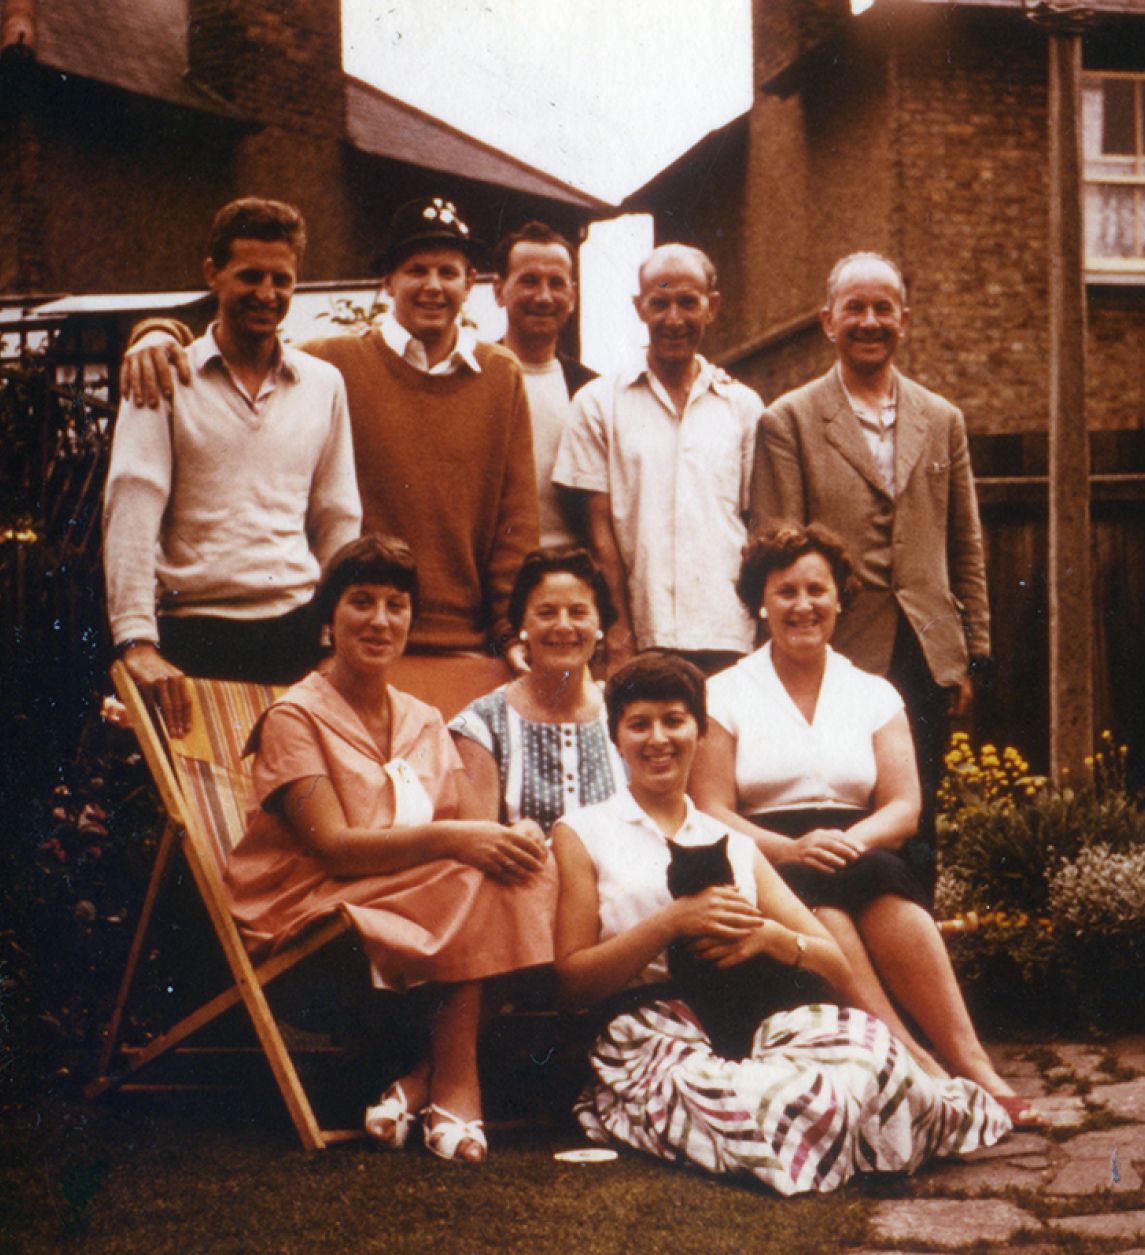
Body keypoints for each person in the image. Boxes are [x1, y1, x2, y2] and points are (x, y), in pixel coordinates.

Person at [550, 653, 1011, 1195]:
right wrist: (671, 922)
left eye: (675, 720)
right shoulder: (585, 831)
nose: (659, 739)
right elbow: (573, 980)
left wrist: (771, 937)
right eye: (639, 724)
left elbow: (833, 961)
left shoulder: (738, 845)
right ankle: (833, 1133)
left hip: (748, 1017)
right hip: (648, 1028)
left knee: (868, 1050)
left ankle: (830, 1127)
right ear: (617, 736)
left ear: (698, 729)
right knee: (777, 1100)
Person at [121, 197, 540, 718]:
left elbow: (514, 521)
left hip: (455, 644)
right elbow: (242, 348)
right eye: (416, 270)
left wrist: (507, 631)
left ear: (469, 280)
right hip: (352, 638)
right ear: (387, 280)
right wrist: (155, 332)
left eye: (447, 272)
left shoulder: (496, 375)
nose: (433, 285)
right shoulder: (333, 364)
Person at [688, 524, 1039, 1127]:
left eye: (817, 590)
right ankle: (917, 1062)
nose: (803, 605)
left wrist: (850, 840)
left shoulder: (873, 692)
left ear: (841, 598)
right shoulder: (724, 693)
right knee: (826, 909)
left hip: (860, 846)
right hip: (767, 857)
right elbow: (712, 809)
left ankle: (975, 1065)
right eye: (786, 591)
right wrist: (792, 847)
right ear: (761, 603)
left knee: (884, 886)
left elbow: (905, 807)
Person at [223, 535, 558, 1164]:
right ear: (330, 617)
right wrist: (461, 840)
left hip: (410, 896)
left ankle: (421, 1081)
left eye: (396, 605)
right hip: (310, 907)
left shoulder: (423, 718)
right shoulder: (295, 718)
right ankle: (458, 1085)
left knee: (533, 875)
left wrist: (514, 840)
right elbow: (335, 847)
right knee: (471, 880)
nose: (380, 620)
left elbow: (467, 823)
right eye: (362, 602)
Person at [749, 252, 992, 871]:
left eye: (883, 307)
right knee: (843, 818)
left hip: (925, 647)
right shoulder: (790, 421)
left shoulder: (942, 420)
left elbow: (965, 543)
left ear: (904, 320)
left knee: (920, 816)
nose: (869, 320)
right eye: (854, 307)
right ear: (827, 320)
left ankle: (918, 952)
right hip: (835, 648)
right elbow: (776, 551)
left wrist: (971, 651)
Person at [102, 196, 360, 734]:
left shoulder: (323, 384)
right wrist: (137, 643)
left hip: (293, 634)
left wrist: (336, 638)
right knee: (196, 813)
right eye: (250, 276)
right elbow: (131, 509)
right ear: (213, 275)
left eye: (282, 279)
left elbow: (337, 518)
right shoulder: (163, 375)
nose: (267, 295)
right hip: (192, 636)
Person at [552, 244, 761, 678]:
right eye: (659, 302)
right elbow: (598, 527)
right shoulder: (598, 403)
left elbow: (754, 523)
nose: (673, 319)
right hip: (642, 636)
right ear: (639, 307)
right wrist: (619, 628)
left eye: (688, 302)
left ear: (712, 307)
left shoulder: (742, 406)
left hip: (728, 634)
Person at [449, 547, 625, 832]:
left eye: (578, 612)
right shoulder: (481, 725)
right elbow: (477, 845)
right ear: (523, 626)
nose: (564, 625)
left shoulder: (626, 712)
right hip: (520, 875)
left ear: (599, 625)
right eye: (547, 613)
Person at [493, 222, 596, 549]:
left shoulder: (592, 392)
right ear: (499, 290)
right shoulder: (473, 378)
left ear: (572, 295)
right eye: (529, 281)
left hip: (574, 576)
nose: (543, 296)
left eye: (556, 283)